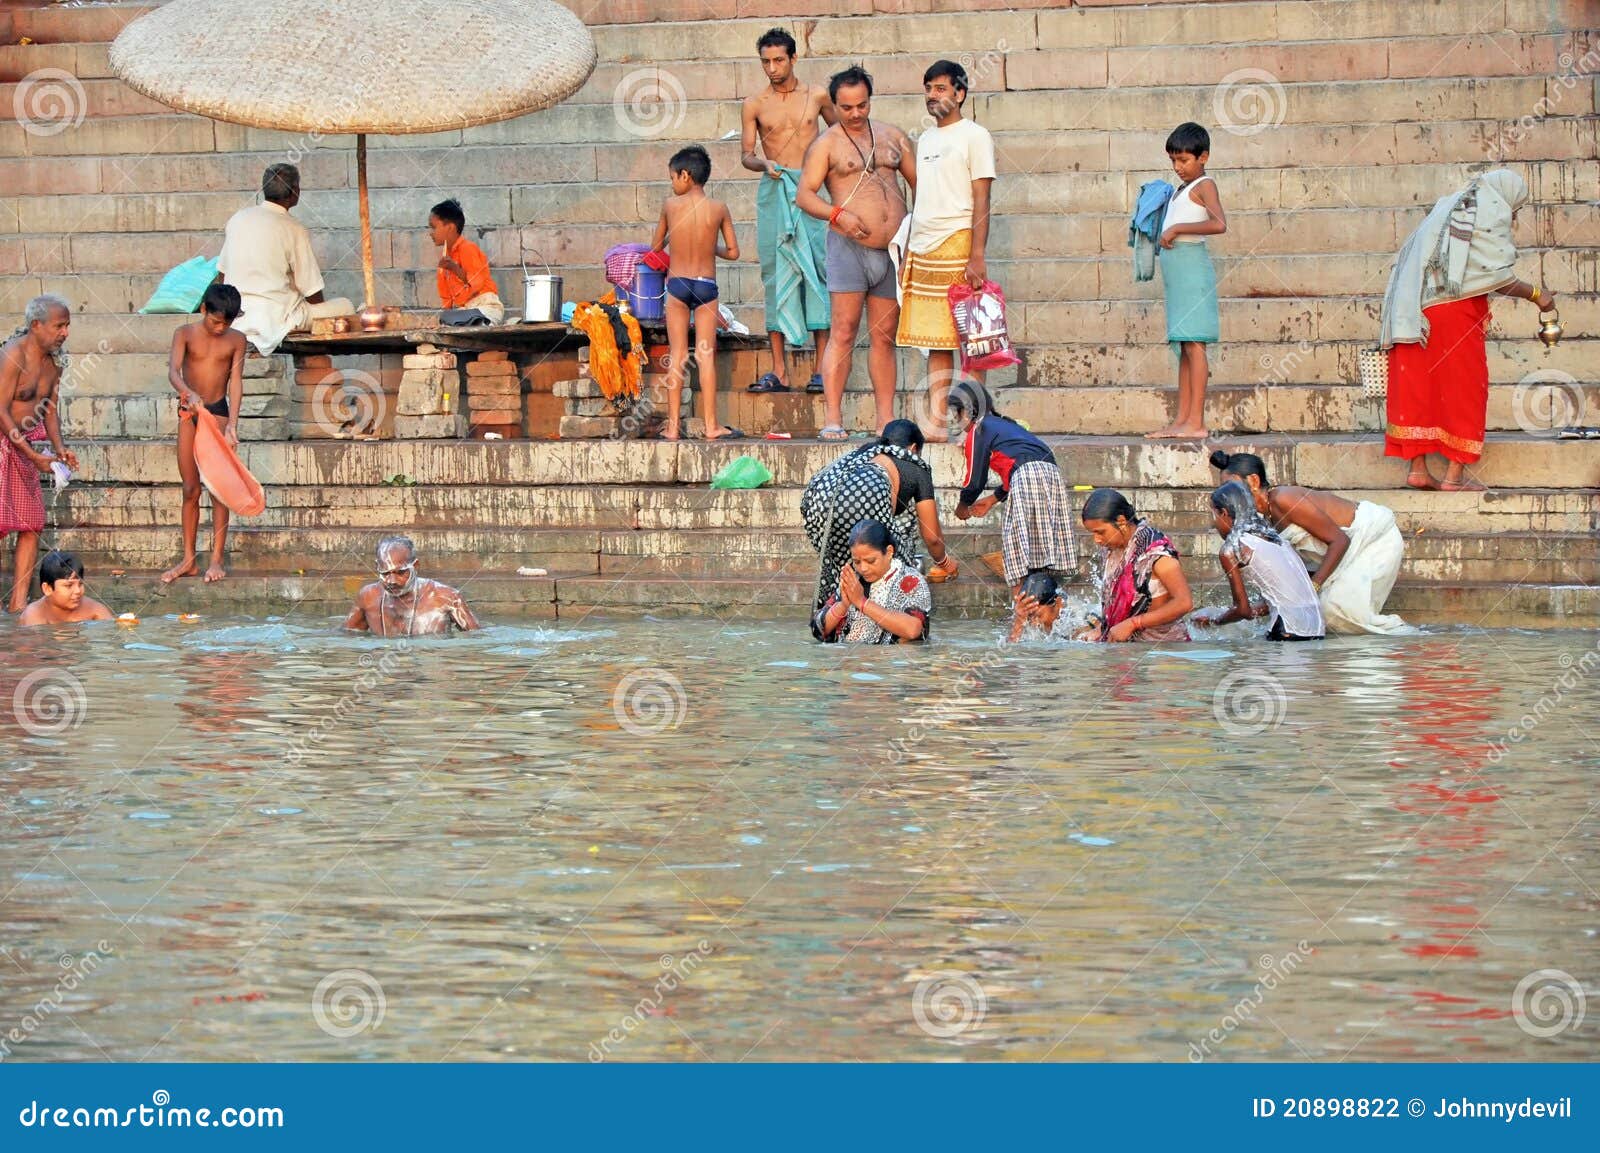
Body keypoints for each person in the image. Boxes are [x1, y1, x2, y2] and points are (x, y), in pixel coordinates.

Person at [1380, 168, 1546, 492]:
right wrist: (1540, 296)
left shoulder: (1448, 209)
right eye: (1518, 208)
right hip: (1454, 315)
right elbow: (1500, 278)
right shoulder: (1487, 211)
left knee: (1420, 387)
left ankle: (1418, 470)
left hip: (1416, 312)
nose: (1515, 216)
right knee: (1465, 388)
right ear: (1506, 197)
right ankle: (1453, 477)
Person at [796, 66, 916, 439]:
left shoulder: (893, 136)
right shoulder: (826, 144)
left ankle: (884, 422)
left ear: (869, 100)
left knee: (884, 336)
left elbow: (920, 186)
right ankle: (833, 420)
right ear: (835, 105)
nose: (855, 113)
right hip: (848, 246)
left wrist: (913, 237)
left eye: (861, 105)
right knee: (844, 332)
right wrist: (838, 215)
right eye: (847, 107)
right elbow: (804, 195)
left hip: (891, 249)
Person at [897, 60, 995, 444]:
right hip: (924, 245)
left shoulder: (975, 136)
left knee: (973, 339)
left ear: (960, 93)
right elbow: (921, 196)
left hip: (959, 240)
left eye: (940, 88)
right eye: (928, 89)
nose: (933, 96)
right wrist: (909, 246)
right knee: (936, 340)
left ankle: (975, 422)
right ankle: (937, 422)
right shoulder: (926, 140)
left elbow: (982, 196)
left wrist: (978, 253)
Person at [1211, 449, 1412, 634]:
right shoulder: (1264, 522)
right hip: (1345, 554)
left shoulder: (1283, 498)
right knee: (1329, 616)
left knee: (1335, 610)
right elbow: (1295, 576)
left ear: (1254, 481)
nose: (1228, 493)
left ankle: (1407, 639)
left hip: (1376, 539)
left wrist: (1314, 588)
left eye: (1232, 485)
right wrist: (1254, 611)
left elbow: (1340, 540)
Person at [740, 27, 835, 395]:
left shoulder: (817, 95)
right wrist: (764, 164)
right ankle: (778, 370)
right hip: (775, 189)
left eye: (779, 60)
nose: (772, 68)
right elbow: (747, 154)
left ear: (794, 58)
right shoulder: (754, 103)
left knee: (818, 271)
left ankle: (821, 368)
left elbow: (838, 135)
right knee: (774, 274)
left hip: (812, 190)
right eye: (766, 61)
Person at [801, 418, 956, 609]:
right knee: (892, 570)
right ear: (914, 448)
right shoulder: (915, 466)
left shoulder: (862, 453)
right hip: (861, 501)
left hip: (817, 502)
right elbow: (932, 537)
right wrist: (945, 563)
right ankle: (890, 619)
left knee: (848, 571)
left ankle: (837, 618)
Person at [651, 145, 743, 441]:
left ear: (685, 175)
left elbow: (655, 248)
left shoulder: (669, 205)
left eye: (673, 178)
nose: (672, 184)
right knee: (705, 356)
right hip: (706, 285)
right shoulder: (719, 208)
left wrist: (673, 239)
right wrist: (708, 247)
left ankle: (673, 426)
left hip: (677, 285)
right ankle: (712, 426)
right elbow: (733, 252)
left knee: (676, 355)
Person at [949, 381, 1076, 595]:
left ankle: (1021, 603)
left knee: (1017, 542)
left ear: (966, 412)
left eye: (956, 413)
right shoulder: (1007, 425)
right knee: (1040, 542)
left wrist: (963, 507)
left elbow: (974, 481)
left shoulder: (979, 428)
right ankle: (1044, 598)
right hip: (1051, 473)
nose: (955, 420)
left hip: (1027, 475)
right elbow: (1018, 464)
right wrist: (992, 499)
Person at [216, 164, 354, 354]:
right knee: (346, 306)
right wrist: (319, 314)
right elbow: (311, 290)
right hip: (276, 318)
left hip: (237, 316)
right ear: (295, 191)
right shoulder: (293, 228)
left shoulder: (238, 219)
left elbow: (221, 276)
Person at [161, 282, 246, 585]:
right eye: (215, 320)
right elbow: (173, 371)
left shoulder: (237, 340)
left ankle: (216, 560)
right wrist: (187, 392)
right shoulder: (184, 333)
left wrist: (233, 423)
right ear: (203, 310)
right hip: (189, 412)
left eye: (227, 322)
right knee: (190, 489)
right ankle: (188, 560)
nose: (220, 327)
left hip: (218, 414)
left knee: (219, 490)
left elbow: (235, 381)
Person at [1149, 122, 1226, 441]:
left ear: (1203, 157)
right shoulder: (1181, 189)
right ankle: (1182, 419)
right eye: (1174, 161)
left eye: (1184, 160)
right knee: (1183, 344)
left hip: (1193, 270)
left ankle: (1196, 421)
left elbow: (1219, 223)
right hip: (1178, 274)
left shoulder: (1205, 184)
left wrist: (1178, 228)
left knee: (1195, 344)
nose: (1178, 167)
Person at [0, 295, 77, 614]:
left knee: (30, 523)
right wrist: (32, 455)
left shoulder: (55, 362)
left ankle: (18, 605)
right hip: (8, 441)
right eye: (59, 326)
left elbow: (50, 410)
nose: (65, 333)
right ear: (36, 325)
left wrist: (59, 449)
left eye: (68, 326)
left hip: (26, 443)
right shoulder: (11, 354)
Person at [1193, 480, 1324, 641]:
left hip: (1287, 628)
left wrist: (1213, 621)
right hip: (1316, 627)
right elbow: (1282, 600)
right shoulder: (1278, 540)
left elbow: (1242, 610)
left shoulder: (1231, 550)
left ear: (1224, 514)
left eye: (1213, 515)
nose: (1213, 524)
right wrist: (1229, 613)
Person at [1079, 488, 1192, 643]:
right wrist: (1102, 629)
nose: (1097, 540)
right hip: (1124, 648)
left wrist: (1134, 623)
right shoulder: (1111, 548)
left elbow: (1184, 603)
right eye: (1093, 533)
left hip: (1163, 651)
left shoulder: (1155, 552)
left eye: (1100, 532)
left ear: (1121, 521)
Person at [811, 518, 931, 644]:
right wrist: (843, 605)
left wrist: (862, 602)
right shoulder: (855, 580)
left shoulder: (911, 580)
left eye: (871, 561)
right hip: (850, 660)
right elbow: (818, 630)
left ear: (889, 552)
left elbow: (913, 629)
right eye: (857, 561)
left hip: (890, 660)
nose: (863, 568)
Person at [344, 536, 480, 636]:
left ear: (415, 566)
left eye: (400, 572)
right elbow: (349, 636)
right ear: (377, 567)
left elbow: (476, 640)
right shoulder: (368, 596)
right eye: (385, 573)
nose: (391, 581)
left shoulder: (447, 597)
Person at [429, 197, 505, 323]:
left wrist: (455, 268)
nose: (430, 233)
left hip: (486, 308)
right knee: (445, 318)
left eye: (433, 227)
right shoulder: (444, 263)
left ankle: (475, 321)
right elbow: (447, 301)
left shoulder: (467, 248)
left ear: (450, 228)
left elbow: (477, 283)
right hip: (464, 312)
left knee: (463, 318)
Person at [18, 550, 112, 626]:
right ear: (47, 589)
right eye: (69, 585)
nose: (78, 591)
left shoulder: (93, 609)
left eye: (80, 584)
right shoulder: (34, 616)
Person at [1008, 569, 1067, 642]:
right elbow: (1009, 648)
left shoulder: (1074, 622)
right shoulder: (1028, 631)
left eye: (1038, 616)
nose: (1034, 624)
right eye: (1029, 617)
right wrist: (1019, 622)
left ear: (1058, 604)